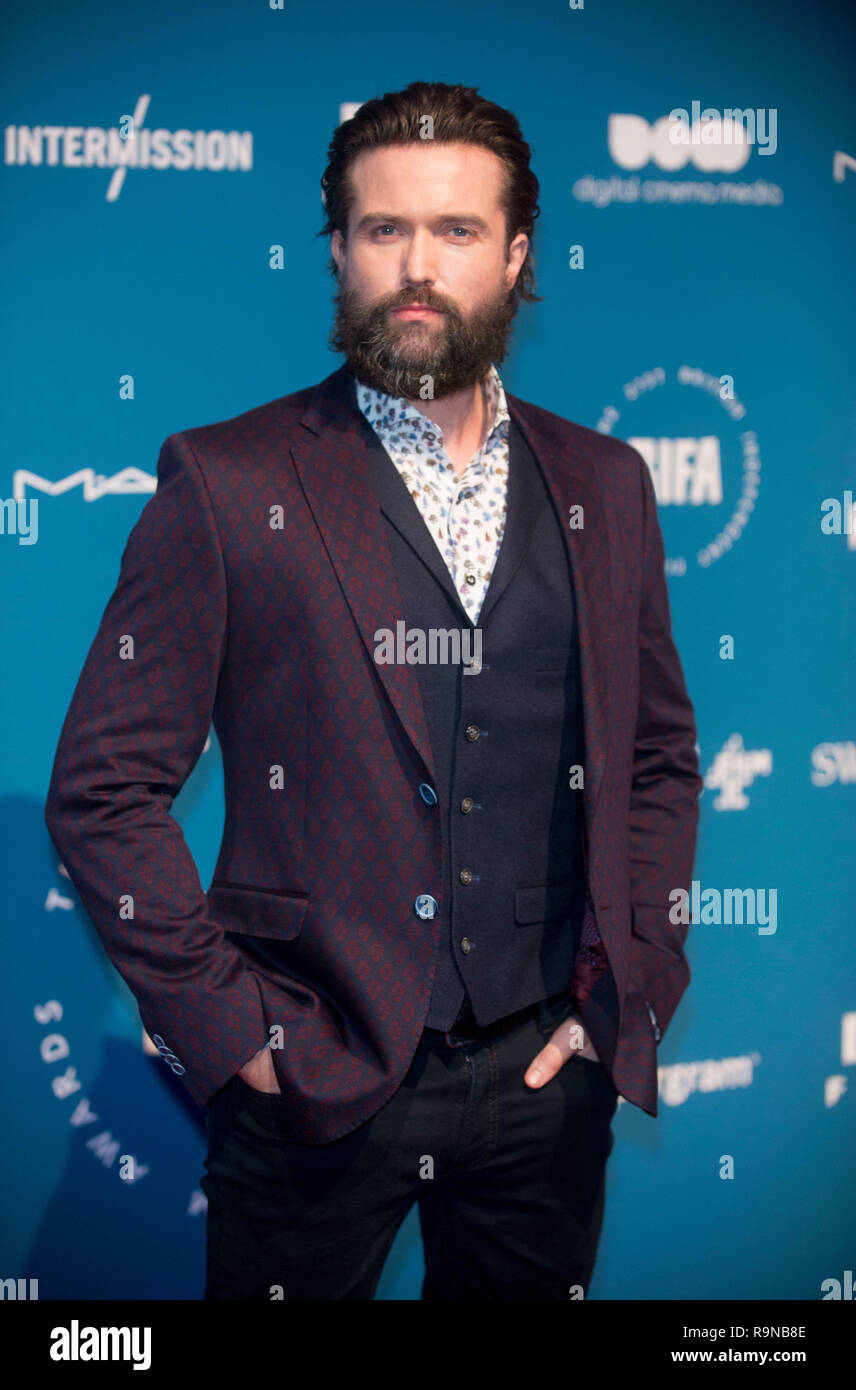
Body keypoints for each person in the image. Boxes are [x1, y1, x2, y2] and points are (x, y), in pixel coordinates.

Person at [44, 80, 702, 1300]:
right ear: (338, 251)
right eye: (382, 229)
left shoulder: (606, 483)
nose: (416, 265)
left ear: (514, 257)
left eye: (454, 232)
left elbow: (658, 757)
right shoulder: (231, 482)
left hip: (544, 1082)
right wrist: (237, 1035)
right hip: (313, 1087)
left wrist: (631, 986)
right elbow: (103, 791)